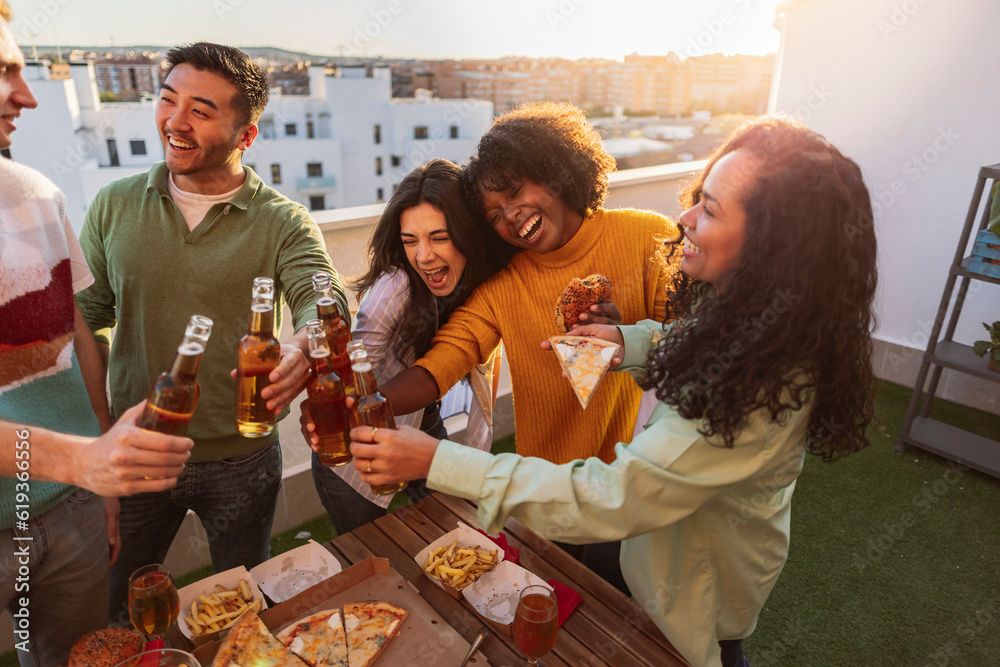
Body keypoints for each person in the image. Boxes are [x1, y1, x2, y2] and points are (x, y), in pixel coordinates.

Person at [349, 116, 878, 667]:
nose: (686, 217)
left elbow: (618, 495)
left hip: (685, 587)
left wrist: (438, 460)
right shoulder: (756, 324)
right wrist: (627, 340)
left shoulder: (748, 376)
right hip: (619, 532)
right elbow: (687, 336)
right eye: (698, 198)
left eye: (711, 208)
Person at [75, 42, 347, 625]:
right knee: (120, 608)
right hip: (138, 451)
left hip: (241, 459)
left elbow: (323, 295)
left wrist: (304, 344)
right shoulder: (113, 205)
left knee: (245, 604)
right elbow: (82, 318)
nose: (174, 121)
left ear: (245, 136)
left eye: (200, 110)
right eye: (168, 100)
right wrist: (98, 428)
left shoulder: (284, 221)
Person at [375, 102, 678, 593]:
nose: (510, 217)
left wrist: (629, 335)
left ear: (557, 172)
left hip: (633, 493)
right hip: (543, 499)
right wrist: (371, 402)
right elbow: (442, 364)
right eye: (493, 214)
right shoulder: (505, 285)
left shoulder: (646, 237)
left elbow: (696, 345)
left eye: (515, 192)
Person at [0, 3, 192, 664]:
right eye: (3, 73)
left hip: (70, 515)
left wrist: (99, 475)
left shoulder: (35, 193)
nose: (25, 95)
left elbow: (78, 333)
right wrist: (82, 461)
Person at [307, 158, 505, 534]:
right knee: (370, 550)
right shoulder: (394, 287)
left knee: (454, 526)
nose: (423, 256)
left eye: (439, 237)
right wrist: (333, 407)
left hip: (425, 420)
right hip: (357, 440)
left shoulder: (485, 281)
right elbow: (353, 369)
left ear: (467, 233)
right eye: (410, 240)